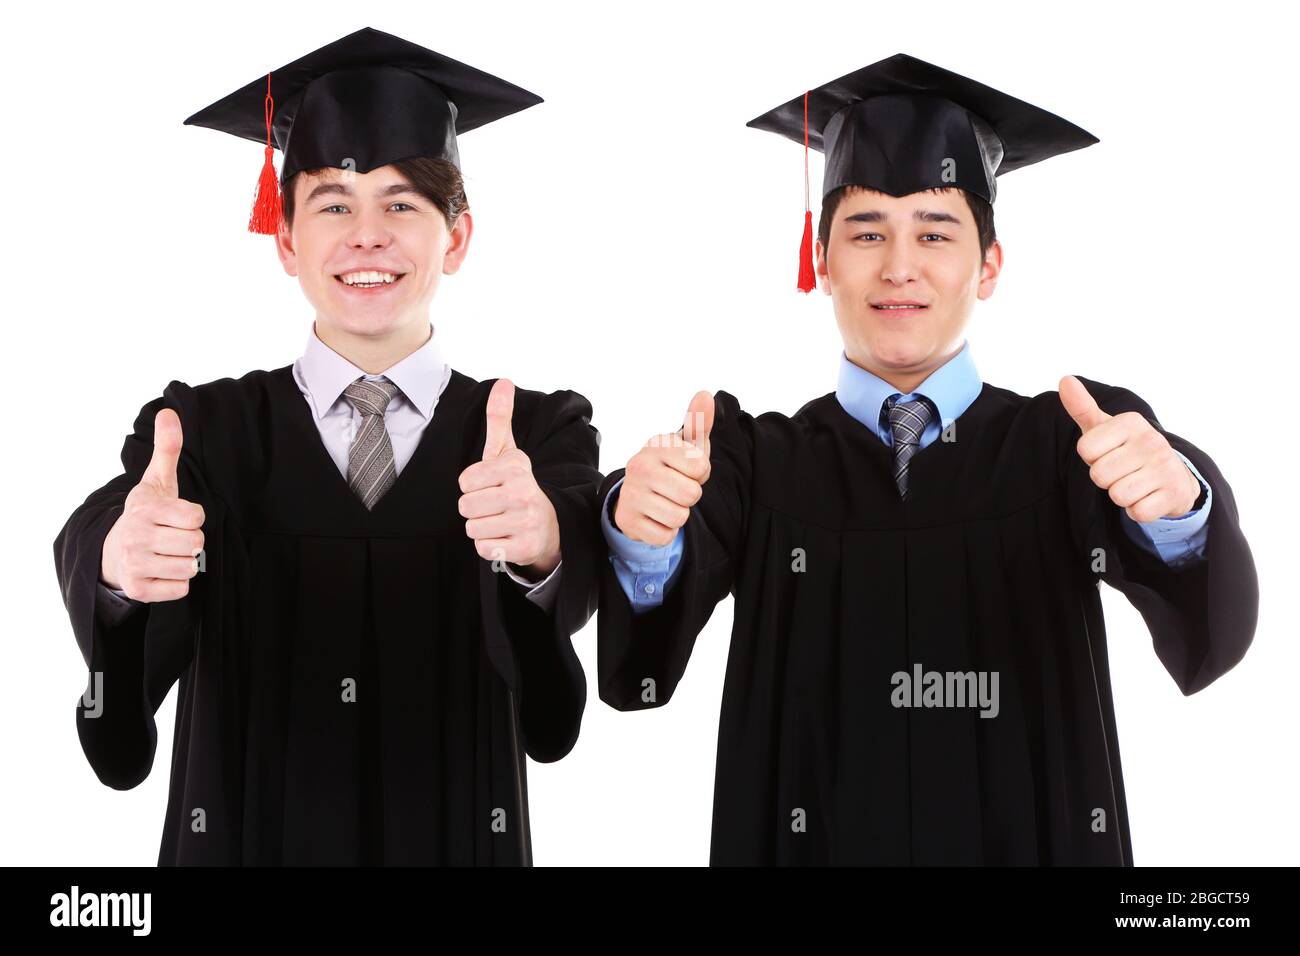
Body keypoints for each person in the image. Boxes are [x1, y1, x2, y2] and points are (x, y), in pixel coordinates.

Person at [596, 53, 1258, 865]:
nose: (897, 266)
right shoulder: (752, 464)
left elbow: (1212, 634)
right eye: (866, 232)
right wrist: (643, 534)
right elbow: (645, 650)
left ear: (988, 267)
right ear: (823, 260)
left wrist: (1179, 514)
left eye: (935, 234)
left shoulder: (1069, 445)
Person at [53, 27, 601, 866]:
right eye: (334, 205)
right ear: (286, 240)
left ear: (455, 239)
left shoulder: (531, 435)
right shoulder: (200, 436)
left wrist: (541, 552)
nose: (367, 236)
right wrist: (117, 574)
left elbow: (553, 725)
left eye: (402, 205)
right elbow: (115, 741)